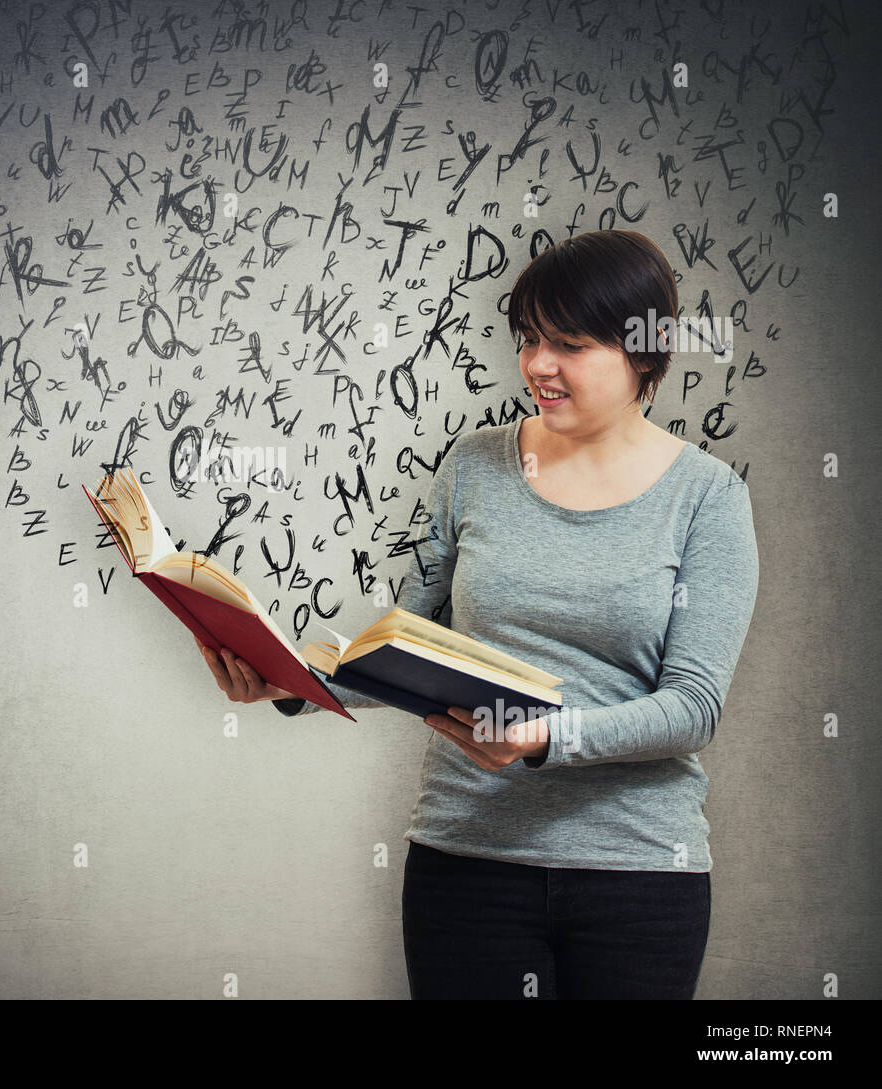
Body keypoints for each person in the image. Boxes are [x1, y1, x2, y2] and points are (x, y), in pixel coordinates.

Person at [195, 230, 759, 999]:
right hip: (466, 865)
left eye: (569, 343)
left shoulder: (709, 497)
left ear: (645, 357)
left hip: (639, 875)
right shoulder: (474, 466)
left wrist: (545, 740)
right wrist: (292, 681)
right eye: (529, 338)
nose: (537, 364)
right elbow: (406, 650)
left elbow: (693, 708)